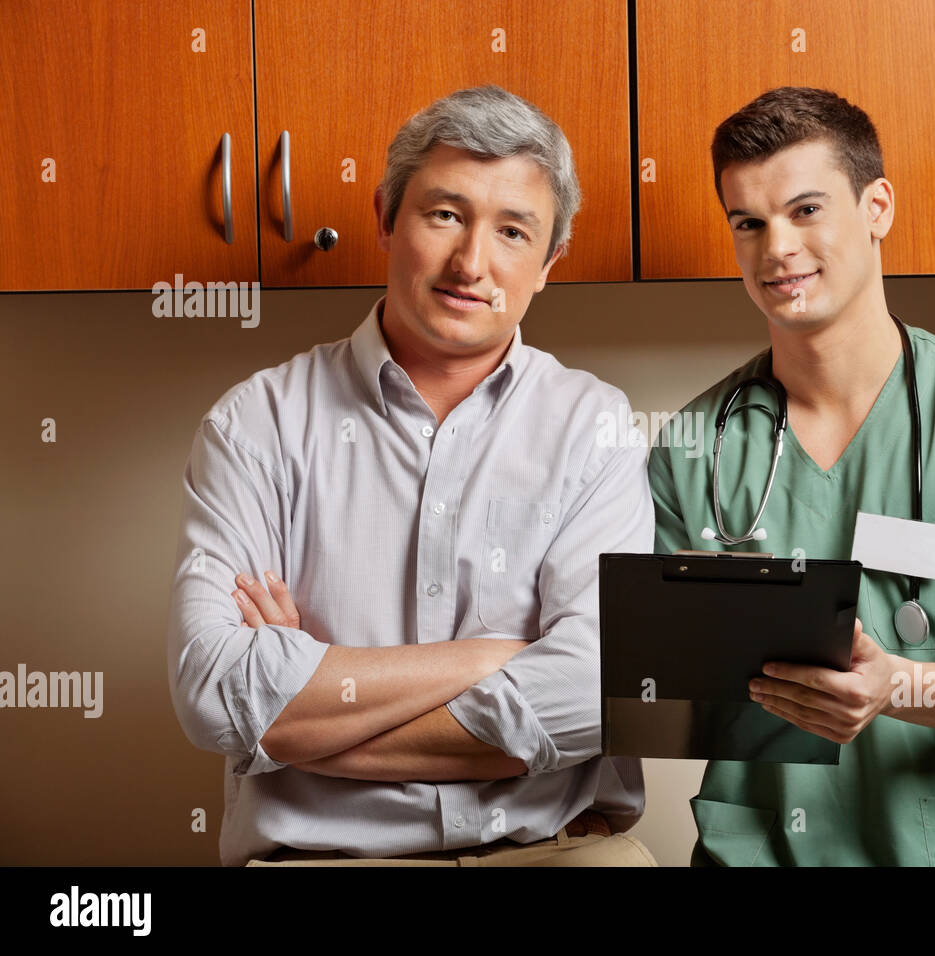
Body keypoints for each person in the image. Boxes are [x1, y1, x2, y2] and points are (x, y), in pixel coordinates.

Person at [166, 85, 656, 867]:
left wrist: (311, 722)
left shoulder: (596, 429)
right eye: (445, 215)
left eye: (513, 231)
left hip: (553, 855)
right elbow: (214, 694)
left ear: (550, 262)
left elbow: (603, 691)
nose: (472, 263)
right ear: (386, 219)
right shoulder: (254, 425)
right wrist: (496, 657)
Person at [647, 86, 935, 866]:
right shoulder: (692, 449)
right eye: (748, 224)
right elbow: (662, 690)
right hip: (758, 851)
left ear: (877, 207)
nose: (776, 249)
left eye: (805, 211)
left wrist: (899, 686)